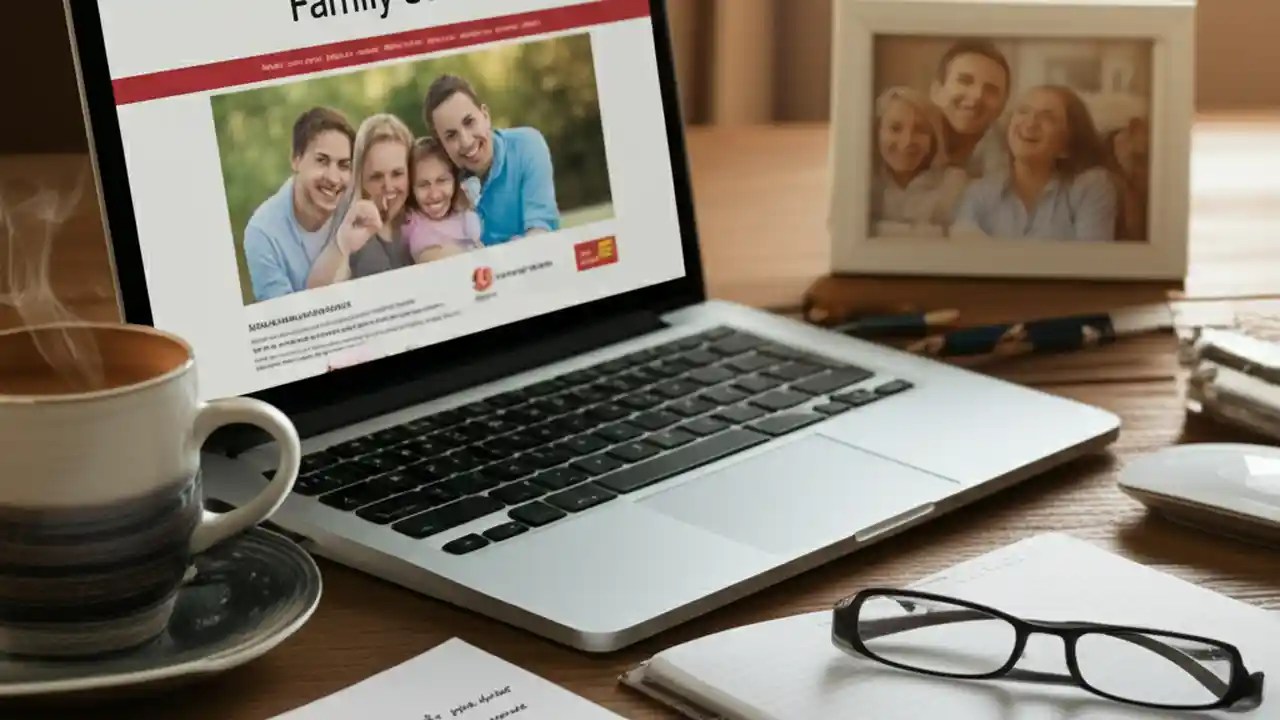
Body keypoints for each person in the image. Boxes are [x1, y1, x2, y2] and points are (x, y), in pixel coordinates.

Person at [951, 85, 1119, 242]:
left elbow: (1091, 264)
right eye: (1023, 111)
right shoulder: (979, 193)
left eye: (1048, 118)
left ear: (1066, 146)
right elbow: (966, 257)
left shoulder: (1091, 186)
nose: (1030, 123)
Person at [422, 74, 559, 246]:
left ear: (485, 116)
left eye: (469, 122)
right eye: (451, 135)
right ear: (442, 146)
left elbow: (541, 231)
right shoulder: (441, 182)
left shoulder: (527, 145)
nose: (466, 141)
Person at [242, 107, 354, 303]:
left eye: (344, 165)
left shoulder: (355, 209)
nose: (334, 178)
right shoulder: (262, 233)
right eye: (322, 161)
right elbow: (282, 318)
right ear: (296, 160)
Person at [307, 113, 415, 289]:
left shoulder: (421, 216)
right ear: (360, 179)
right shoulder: (351, 222)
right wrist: (341, 245)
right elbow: (314, 289)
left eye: (397, 174)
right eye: (376, 177)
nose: (388, 186)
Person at [870, 86, 969, 237]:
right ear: (878, 132)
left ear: (934, 139)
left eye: (920, 130)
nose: (907, 141)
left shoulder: (954, 183)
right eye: (895, 128)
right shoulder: (863, 185)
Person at [929, 39, 1012, 178]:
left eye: (991, 90)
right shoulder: (899, 146)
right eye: (964, 81)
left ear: (1002, 105)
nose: (977, 96)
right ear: (936, 91)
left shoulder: (1009, 168)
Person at [404, 137, 482, 264]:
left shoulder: (466, 210)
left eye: (442, 181)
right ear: (411, 188)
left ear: (454, 181)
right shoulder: (410, 221)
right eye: (423, 185)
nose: (434, 194)